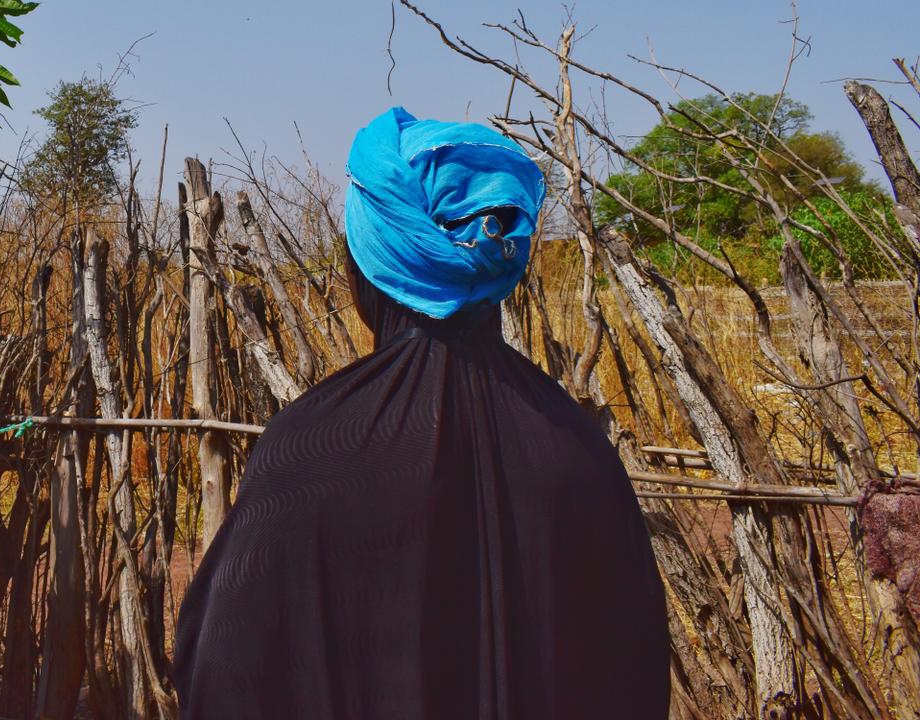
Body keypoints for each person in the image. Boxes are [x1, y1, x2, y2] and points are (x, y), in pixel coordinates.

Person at [173, 108, 670, 719]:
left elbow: (222, 676)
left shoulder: (306, 452)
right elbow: (636, 668)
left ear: (370, 270)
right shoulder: (578, 444)